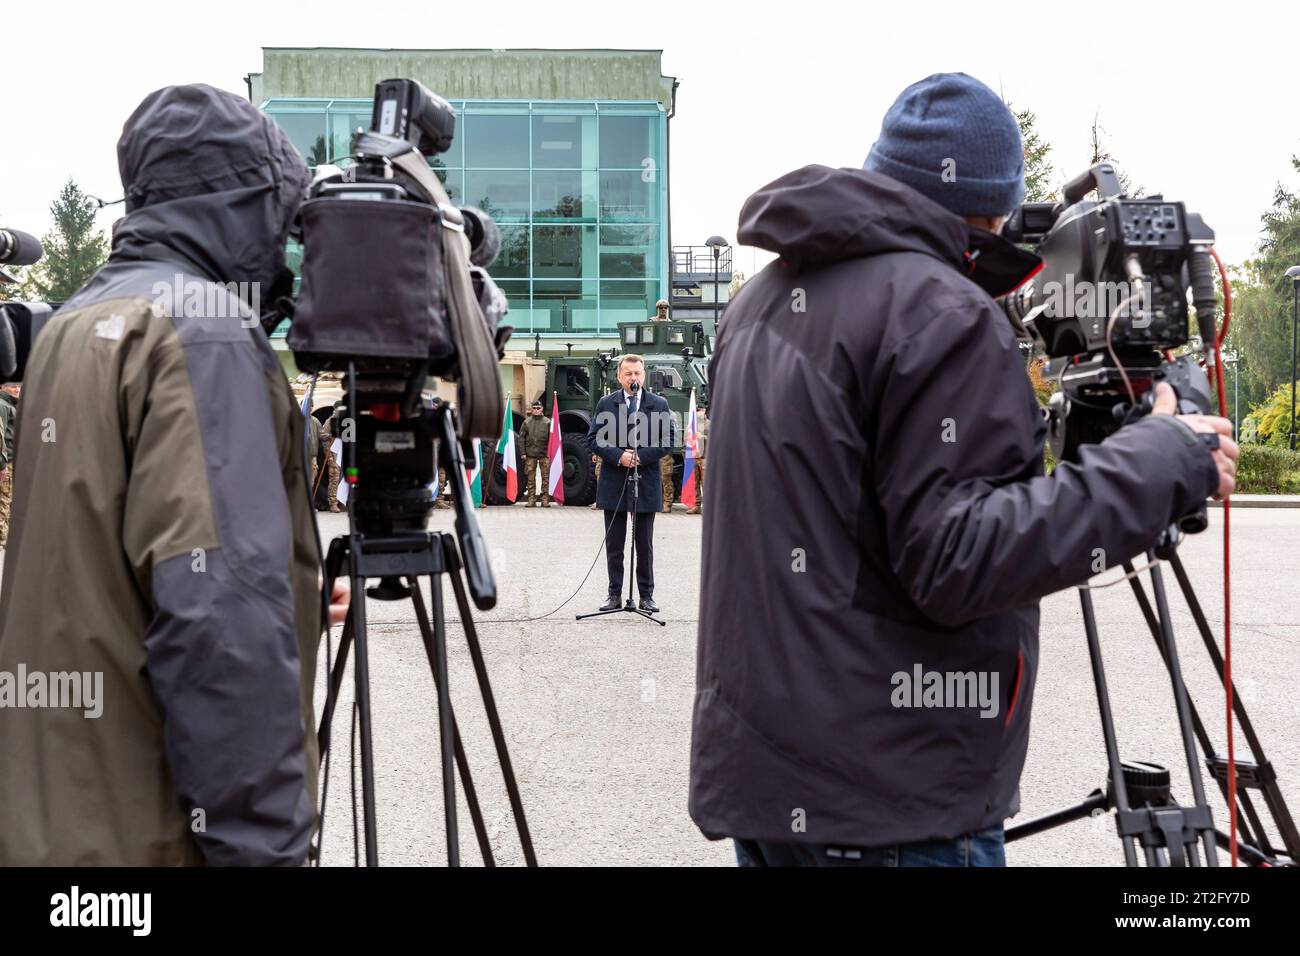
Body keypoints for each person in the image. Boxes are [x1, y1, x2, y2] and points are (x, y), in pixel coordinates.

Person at [690, 73, 1237, 868]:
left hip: (776, 788)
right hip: (892, 805)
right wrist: (1156, 460)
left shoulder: (763, 300)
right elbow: (956, 557)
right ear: (995, 209)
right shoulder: (938, 311)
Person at [0, 84, 350, 865]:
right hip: (149, 838)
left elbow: (113, 561)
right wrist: (267, 850)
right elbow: (218, 632)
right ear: (245, 204)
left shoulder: (76, 323)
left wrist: (282, 586)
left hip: (60, 832)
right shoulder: (205, 333)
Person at [586, 354, 675, 613]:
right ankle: (614, 594)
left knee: (643, 544)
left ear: (644, 375)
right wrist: (619, 456)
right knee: (615, 544)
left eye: (637, 373)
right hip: (614, 481)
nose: (633, 378)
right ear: (619, 376)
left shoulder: (658, 404)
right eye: (628, 374)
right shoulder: (606, 403)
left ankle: (646, 595)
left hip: (644, 482)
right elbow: (594, 439)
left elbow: (668, 439)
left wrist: (640, 456)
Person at [519, 399, 553, 507]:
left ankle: (545, 500)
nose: (536, 410)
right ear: (532, 409)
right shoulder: (527, 422)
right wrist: (523, 452)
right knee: (530, 478)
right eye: (534, 408)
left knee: (545, 478)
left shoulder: (547, 422)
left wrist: (550, 453)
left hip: (544, 454)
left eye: (538, 408)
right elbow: (521, 438)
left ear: (542, 409)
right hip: (530, 455)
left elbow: (552, 439)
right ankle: (531, 499)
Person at [0, 383, 17, 548]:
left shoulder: (9, 405)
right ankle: (2, 540)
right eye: (13, 385)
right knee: (4, 501)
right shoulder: (2, 405)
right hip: (6, 462)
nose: (17, 388)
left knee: (8, 500)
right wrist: (2, 463)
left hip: (10, 460)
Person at [686, 404, 708, 516]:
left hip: (705, 458)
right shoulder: (693, 425)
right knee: (694, 483)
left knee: (706, 483)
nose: (699, 412)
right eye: (697, 410)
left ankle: (708, 506)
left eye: (700, 410)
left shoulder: (709, 424)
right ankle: (696, 505)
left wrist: (703, 437)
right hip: (694, 457)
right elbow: (686, 439)